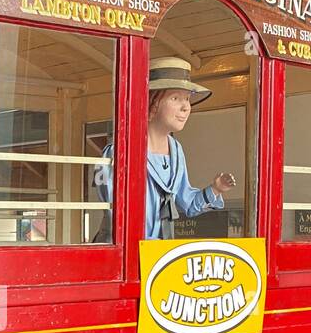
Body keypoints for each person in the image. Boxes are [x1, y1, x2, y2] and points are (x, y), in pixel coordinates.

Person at [92, 56, 237, 241]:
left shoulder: (176, 150)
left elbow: (187, 203)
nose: (186, 107)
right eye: (175, 98)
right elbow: (115, 210)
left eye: (187, 98)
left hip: (159, 255)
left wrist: (215, 189)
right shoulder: (118, 151)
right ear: (151, 102)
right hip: (124, 255)